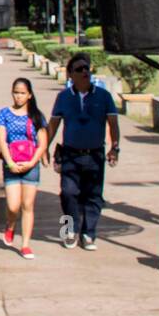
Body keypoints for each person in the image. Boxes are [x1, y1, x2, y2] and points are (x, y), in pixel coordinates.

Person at [47, 53, 119, 250]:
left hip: (95, 154)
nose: (85, 72)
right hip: (70, 154)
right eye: (79, 69)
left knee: (93, 195)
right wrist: (43, 147)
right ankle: (69, 230)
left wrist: (115, 147)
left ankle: (89, 234)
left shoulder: (103, 96)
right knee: (68, 193)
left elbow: (113, 123)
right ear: (70, 74)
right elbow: (53, 125)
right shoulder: (63, 97)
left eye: (87, 68)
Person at [0, 77, 49, 259]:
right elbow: (2, 140)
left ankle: (25, 244)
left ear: (30, 95)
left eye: (22, 93)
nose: (18, 96)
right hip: (11, 164)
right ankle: (10, 225)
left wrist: (33, 162)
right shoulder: (4, 114)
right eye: (16, 92)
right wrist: (10, 162)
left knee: (28, 205)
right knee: (13, 205)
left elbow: (42, 143)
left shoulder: (36, 116)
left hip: (30, 165)